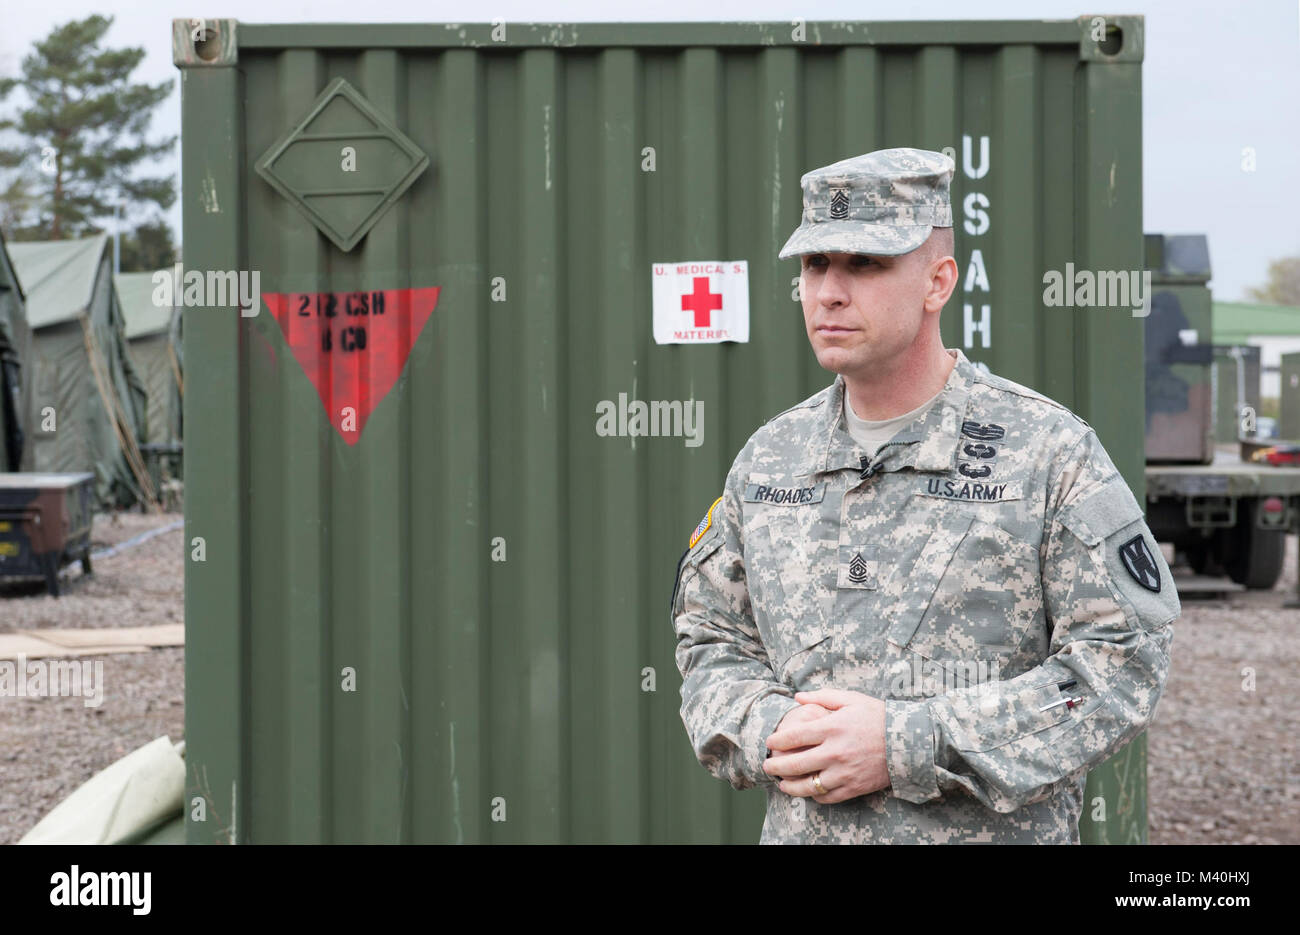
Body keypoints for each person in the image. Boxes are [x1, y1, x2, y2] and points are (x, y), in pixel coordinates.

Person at [670, 147, 1180, 844]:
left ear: (939, 282)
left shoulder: (1046, 452)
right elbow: (709, 637)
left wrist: (908, 743)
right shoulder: (770, 462)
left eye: (865, 265)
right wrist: (772, 727)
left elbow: (1124, 659)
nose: (829, 292)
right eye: (816, 264)